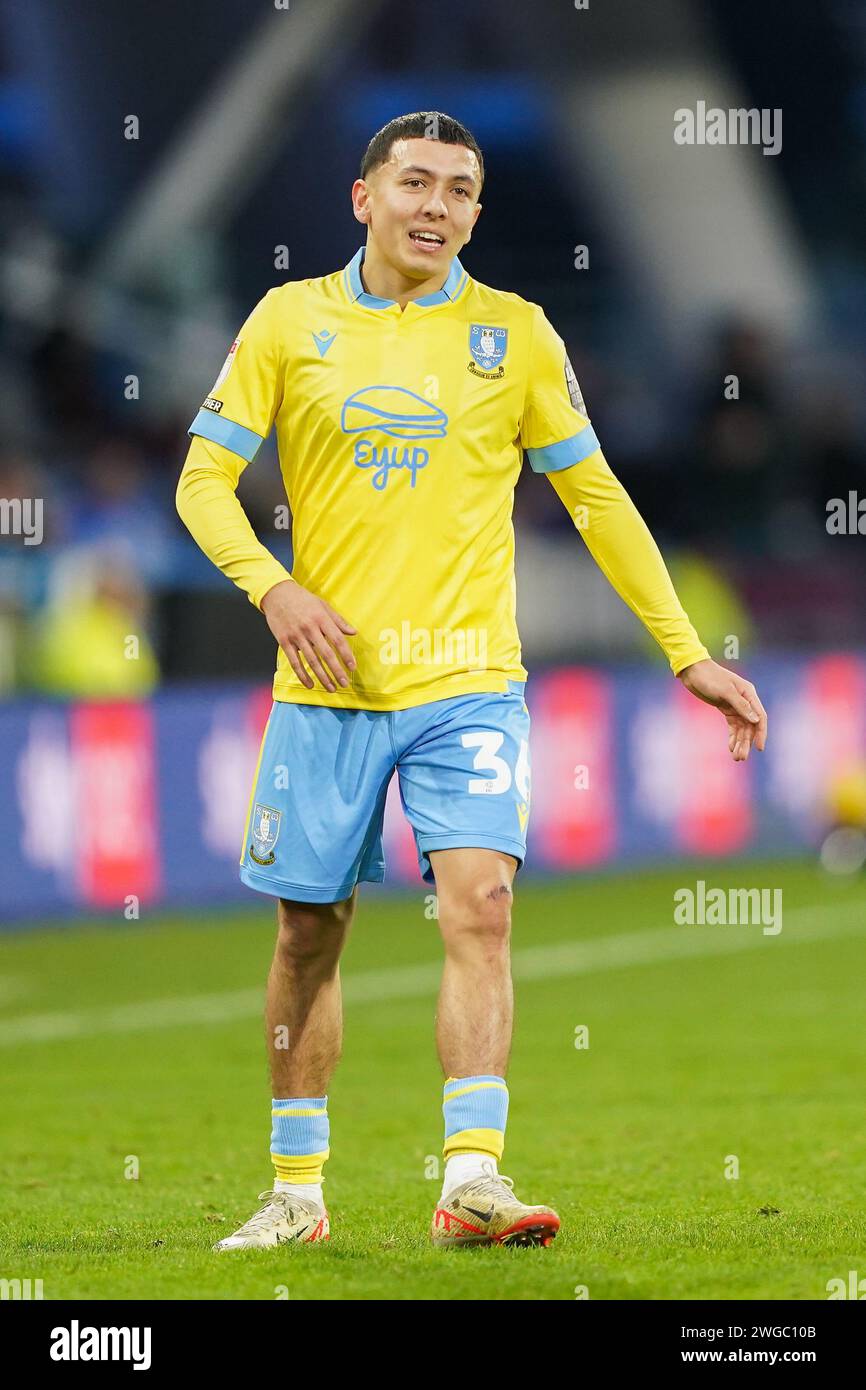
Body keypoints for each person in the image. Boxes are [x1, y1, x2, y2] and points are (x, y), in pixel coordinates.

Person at [176, 111, 767, 1251]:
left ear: (476, 213)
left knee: (481, 910)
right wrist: (270, 585)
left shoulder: (518, 336)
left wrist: (686, 650)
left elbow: (596, 500)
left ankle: (471, 1179)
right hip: (327, 687)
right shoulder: (288, 321)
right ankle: (297, 1191)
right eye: (413, 183)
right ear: (363, 198)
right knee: (309, 934)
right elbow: (203, 478)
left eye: (457, 188)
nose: (434, 205)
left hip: (469, 683)